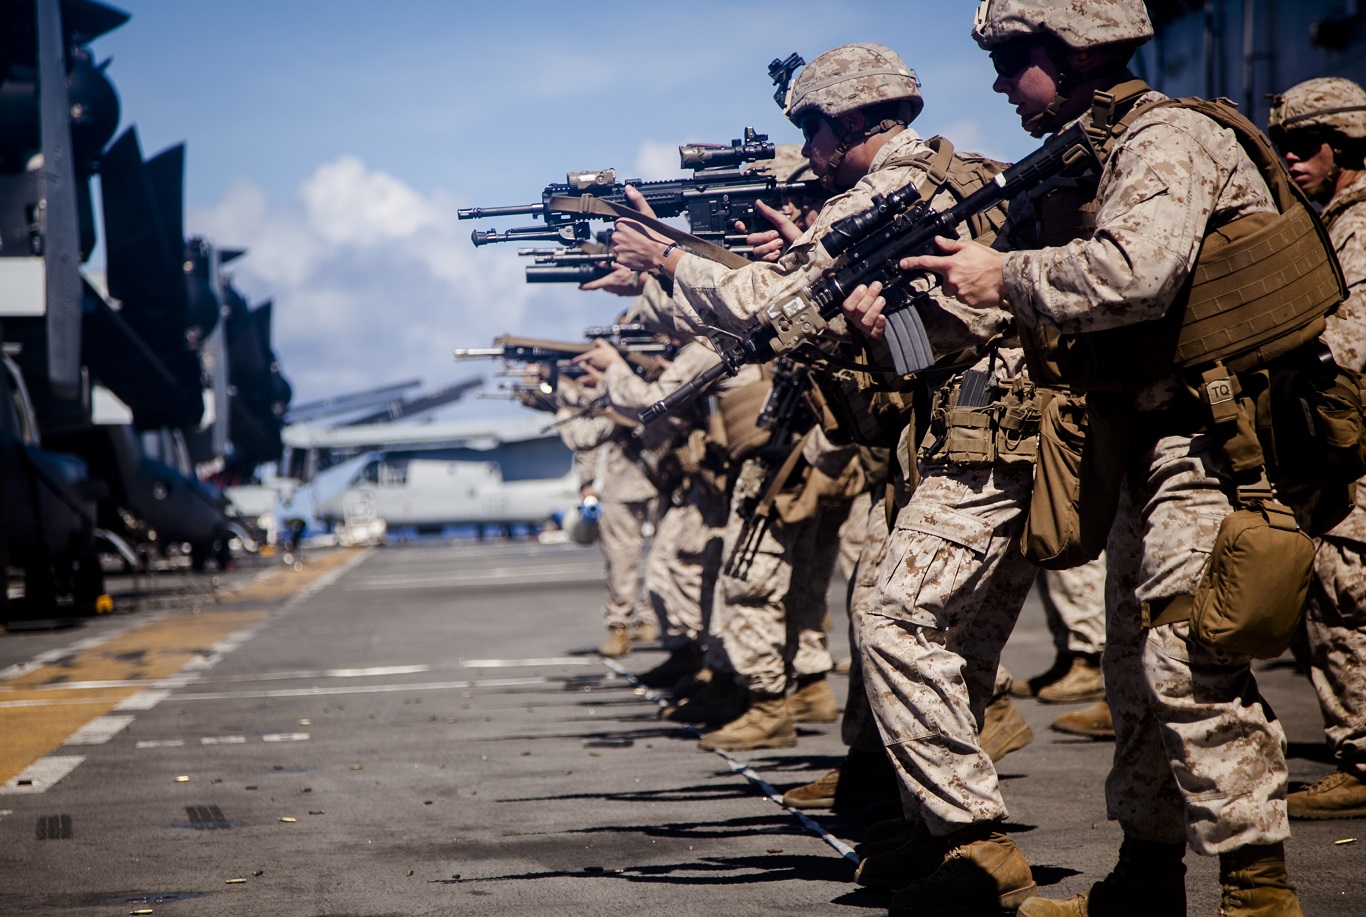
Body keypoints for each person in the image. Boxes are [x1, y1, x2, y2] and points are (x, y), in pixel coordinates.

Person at [898, 1, 1341, 912]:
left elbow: (1136, 273)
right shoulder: (1091, 154)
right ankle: (1145, 880)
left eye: (1013, 59)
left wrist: (1004, 274)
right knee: (1137, 671)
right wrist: (900, 316)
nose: (998, 83)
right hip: (1148, 438)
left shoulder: (1165, 137)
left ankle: (1260, 893)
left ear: (1072, 52)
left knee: (1188, 655)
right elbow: (1014, 306)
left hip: (1212, 439)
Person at [1268, 76, 1366, 821]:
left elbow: (1351, 341)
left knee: (1343, 600)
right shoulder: (1331, 221)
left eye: (1307, 145)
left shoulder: (1358, 225)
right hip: (1340, 446)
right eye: (1286, 146)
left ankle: (1360, 759)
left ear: (1348, 145)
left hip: (1354, 452)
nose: (1293, 160)